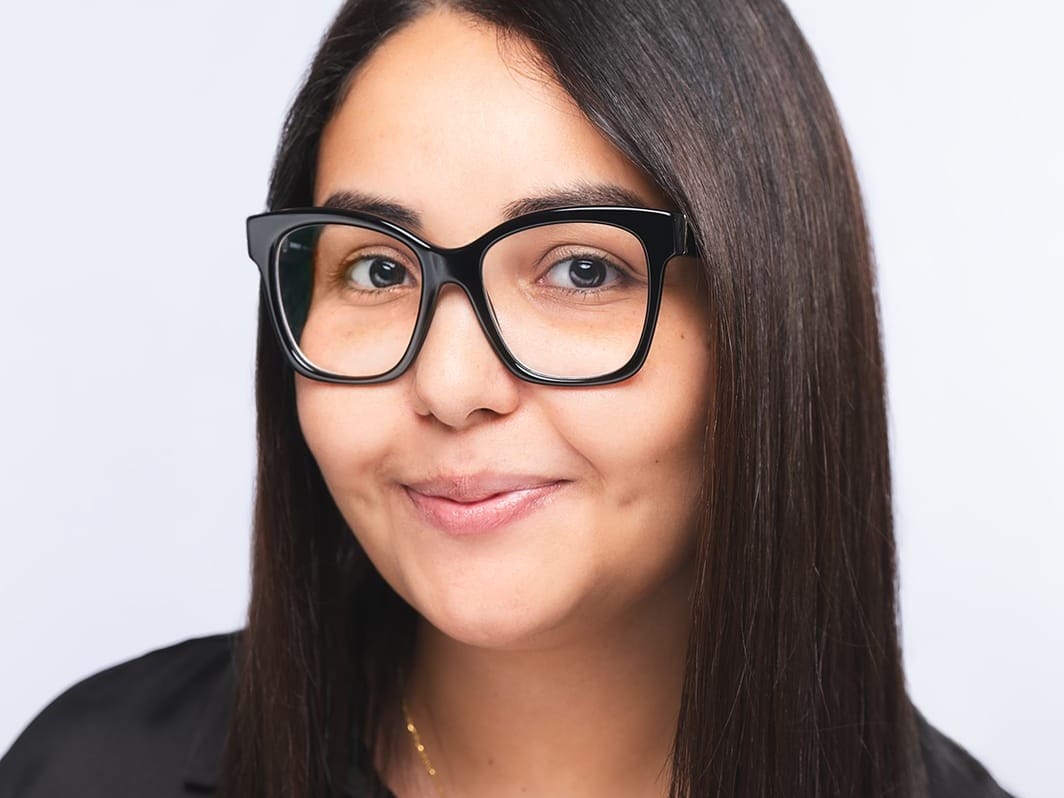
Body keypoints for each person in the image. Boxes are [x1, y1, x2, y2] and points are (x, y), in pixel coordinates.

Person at [0, 1, 1019, 797]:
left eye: (581, 270)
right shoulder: (88, 773)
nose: (450, 386)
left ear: (766, 318)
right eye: (378, 270)